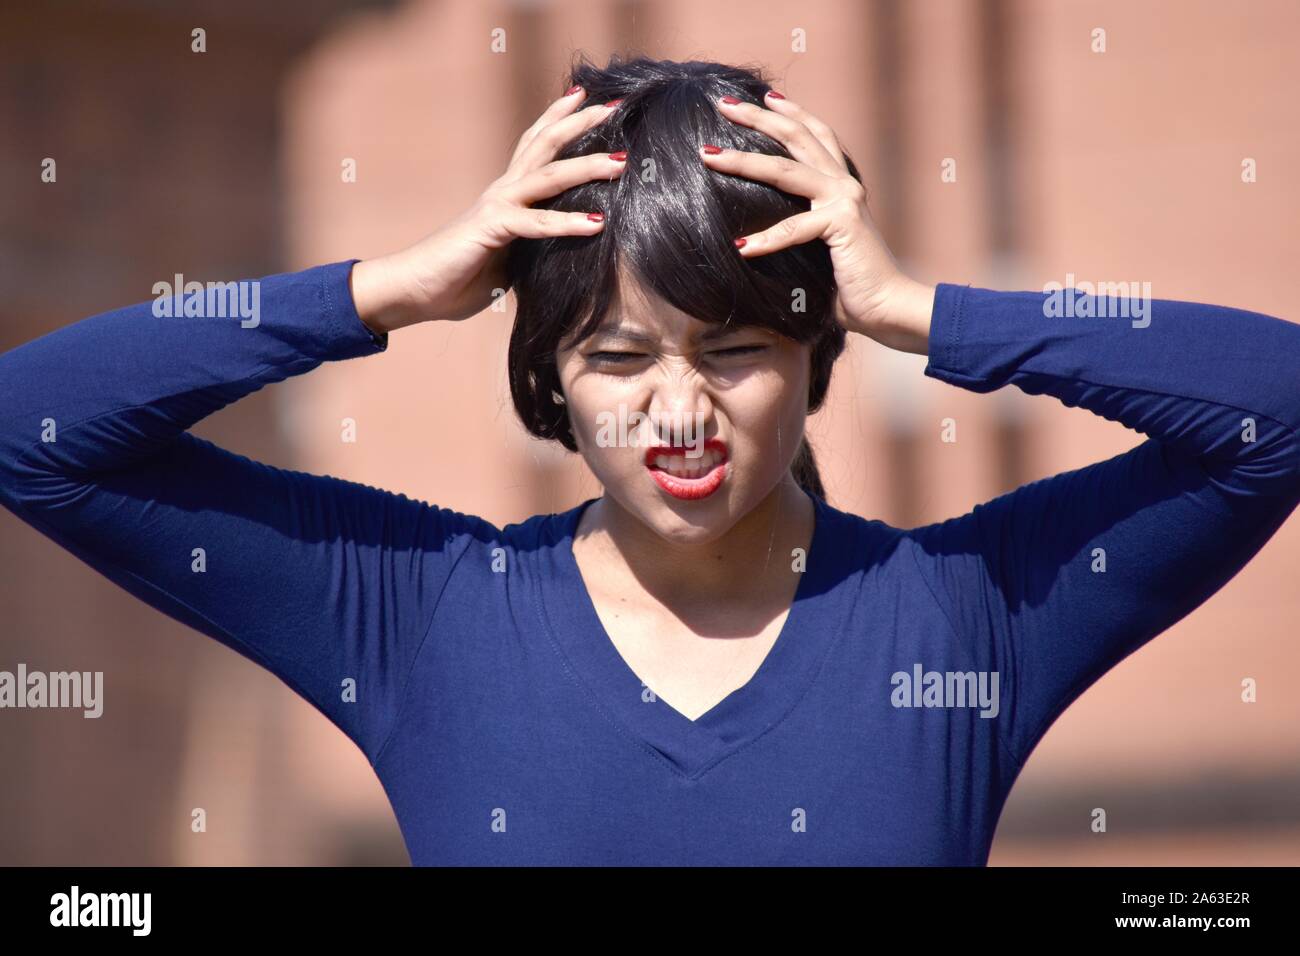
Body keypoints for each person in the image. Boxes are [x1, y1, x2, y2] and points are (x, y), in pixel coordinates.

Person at [1, 55, 1297, 865]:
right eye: (617, 360)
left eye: (734, 348)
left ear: (815, 356)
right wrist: (389, 287)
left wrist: (920, 311)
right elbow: (32, 427)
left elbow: (1275, 410)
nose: (678, 412)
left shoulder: (968, 613)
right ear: (551, 385)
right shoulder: (420, 616)